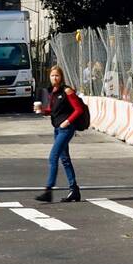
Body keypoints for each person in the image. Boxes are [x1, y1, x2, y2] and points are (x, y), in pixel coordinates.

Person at [34, 65, 84, 203]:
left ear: (61, 77)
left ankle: (48, 190)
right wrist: (42, 111)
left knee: (53, 157)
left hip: (66, 129)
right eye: (52, 75)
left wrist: (67, 122)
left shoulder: (67, 91)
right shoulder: (53, 92)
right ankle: (74, 190)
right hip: (57, 129)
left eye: (57, 75)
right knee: (65, 159)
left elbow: (78, 109)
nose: (54, 78)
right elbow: (53, 111)